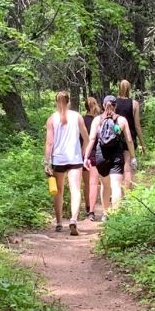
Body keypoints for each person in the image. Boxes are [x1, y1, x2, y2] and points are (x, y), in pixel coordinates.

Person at [83, 94, 136, 220]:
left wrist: (85, 157)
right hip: (116, 155)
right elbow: (129, 140)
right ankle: (116, 216)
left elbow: (91, 140)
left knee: (105, 185)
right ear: (115, 106)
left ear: (103, 105)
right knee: (116, 185)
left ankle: (106, 214)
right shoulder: (121, 120)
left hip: (101, 156)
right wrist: (133, 157)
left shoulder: (97, 120)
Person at [44, 91, 90, 235]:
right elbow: (87, 139)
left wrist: (47, 162)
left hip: (58, 159)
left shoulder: (52, 119)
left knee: (58, 192)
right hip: (74, 159)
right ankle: (73, 220)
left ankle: (58, 223)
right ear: (69, 102)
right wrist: (82, 154)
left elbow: (49, 143)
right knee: (75, 190)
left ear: (56, 102)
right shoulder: (77, 117)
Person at [113, 79, 145, 188]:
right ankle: (126, 191)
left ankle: (115, 189)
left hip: (116, 135)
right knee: (127, 162)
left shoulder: (114, 103)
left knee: (116, 163)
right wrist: (142, 143)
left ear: (119, 88)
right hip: (129, 136)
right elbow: (137, 125)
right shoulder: (134, 104)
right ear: (129, 88)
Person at [81, 96, 101, 220]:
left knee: (87, 183)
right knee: (94, 182)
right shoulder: (99, 120)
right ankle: (92, 209)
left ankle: (88, 207)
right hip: (96, 153)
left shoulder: (81, 120)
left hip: (83, 153)